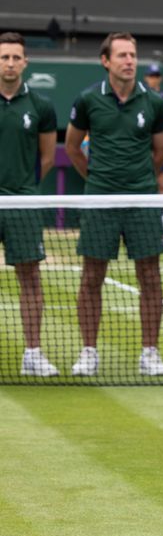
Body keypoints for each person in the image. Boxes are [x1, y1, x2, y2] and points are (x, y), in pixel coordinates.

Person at [65, 33, 163, 378]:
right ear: (106, 61)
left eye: (133, 54)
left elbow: (160, 153)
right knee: (92, 276)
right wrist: (99, 179)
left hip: (141, 199)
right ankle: (88, 351)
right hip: (100, 199)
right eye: (122, 55)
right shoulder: (87, 100)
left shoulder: (153, 102)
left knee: (150, 277)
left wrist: (138, 181)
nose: (129, 61)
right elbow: (74, 148)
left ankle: (150, 353)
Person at [0, 33, 59, 377]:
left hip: (23, 202)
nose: (9, 63)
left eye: (15, 57)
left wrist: (22, 189)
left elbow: (47, 158)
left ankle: (33, 352)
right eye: (4, 57)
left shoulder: (41, 106)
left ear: (25, 62)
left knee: (30, 278)